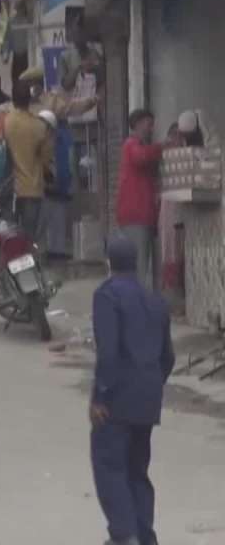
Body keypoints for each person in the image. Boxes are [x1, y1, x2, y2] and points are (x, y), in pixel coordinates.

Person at [90, 233, 175, 545]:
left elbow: (108, 352)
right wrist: (151, 385)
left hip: (117, 399)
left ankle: (124, 535)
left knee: (109, 466)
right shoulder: (155, 299)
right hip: (148, 399)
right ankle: (144, 535)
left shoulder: (107, 295)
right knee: (137, 470)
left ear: (109, 262)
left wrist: (100, 396)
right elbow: (168, 357)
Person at [160, 111, 213, 293]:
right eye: (176, 136)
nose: (179, 139)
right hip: (172, 207)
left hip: (193, 208)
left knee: (188, 249)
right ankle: (177, 293)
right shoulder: (169, 154)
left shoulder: (201, 150)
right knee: (173, 248)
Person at [116, 109, 165, 288]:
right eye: (148, 124)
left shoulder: (142, 147)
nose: (151, 129)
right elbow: (141, 157)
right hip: (135, 216)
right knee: (140, 267)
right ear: (136, 124)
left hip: (145, 217)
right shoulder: (131, 145)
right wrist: (163, 147)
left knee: (145, 267)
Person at [2, 80, 54, 242]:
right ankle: (26, 263)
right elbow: (46, 160)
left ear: (13, 98)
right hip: (32, 188)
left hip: (9, 188)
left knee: (10, 233)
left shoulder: (6, 121)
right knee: (29, 235)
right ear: (30, 100)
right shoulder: (39, 127)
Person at [39, 109, 74, 260]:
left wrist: (68, 183)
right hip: (43, 189)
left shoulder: (62, 139)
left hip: (60, 187)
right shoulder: (38, 141)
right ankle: (43, 253)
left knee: (58, 223)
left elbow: (69, 162)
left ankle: (56, 253)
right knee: (42, 224)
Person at [3, 0, 32, 84]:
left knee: (26, 79)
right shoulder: (12, 22)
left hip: (27, 56)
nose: (18, 11)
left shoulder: (29, 22)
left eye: (20, 8)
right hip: (17, 56)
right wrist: (6, 54)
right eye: (17, 8)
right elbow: (7, 39)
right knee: (15, 78)